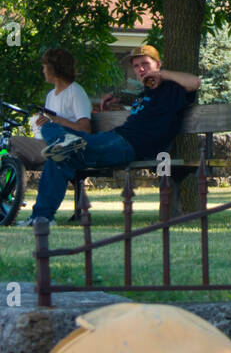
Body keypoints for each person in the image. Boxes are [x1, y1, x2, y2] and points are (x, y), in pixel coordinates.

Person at [21, 45, 201, 227]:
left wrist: (162, 74)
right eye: (136, 66)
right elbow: (143, 114)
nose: (140, 69)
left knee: (56, 143)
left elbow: (195, 82)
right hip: (117, 139)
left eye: (145, 64)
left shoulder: (171, 90)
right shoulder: (144, 94)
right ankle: (42, 217)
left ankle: (64, 146)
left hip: (130, 144)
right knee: (56, 150)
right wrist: (116, 102)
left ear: (158, 64)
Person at [9, 48, 92, 170]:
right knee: (14, 156)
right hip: (46, 144)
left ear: (54, 69)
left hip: (63, 148)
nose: (43, 71)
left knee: (10, 141)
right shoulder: (51, 95)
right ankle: (12, 186)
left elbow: (85, 129)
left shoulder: (75, 91)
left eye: (44, 67)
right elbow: (50, 122)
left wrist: (57, 121)